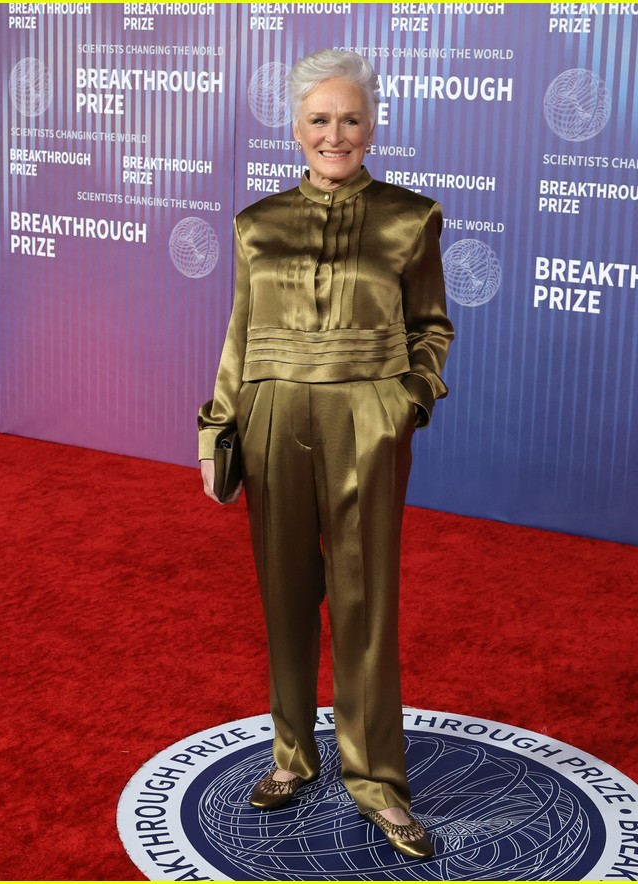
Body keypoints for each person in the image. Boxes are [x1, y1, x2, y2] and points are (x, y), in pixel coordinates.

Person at [198, 48, 453, 860]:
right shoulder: (255, 224)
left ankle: (378, 783)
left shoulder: (413, 217)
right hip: (273, 412)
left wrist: (405, 402)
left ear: (371, 124)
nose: (334, 134)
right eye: (318, 119)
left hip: (366, 418)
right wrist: (218, 428)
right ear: (296, 128)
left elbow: (431, 327)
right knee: (285, 594)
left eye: (349, 118)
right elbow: (240, 337)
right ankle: (292, 758)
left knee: (364, 603)